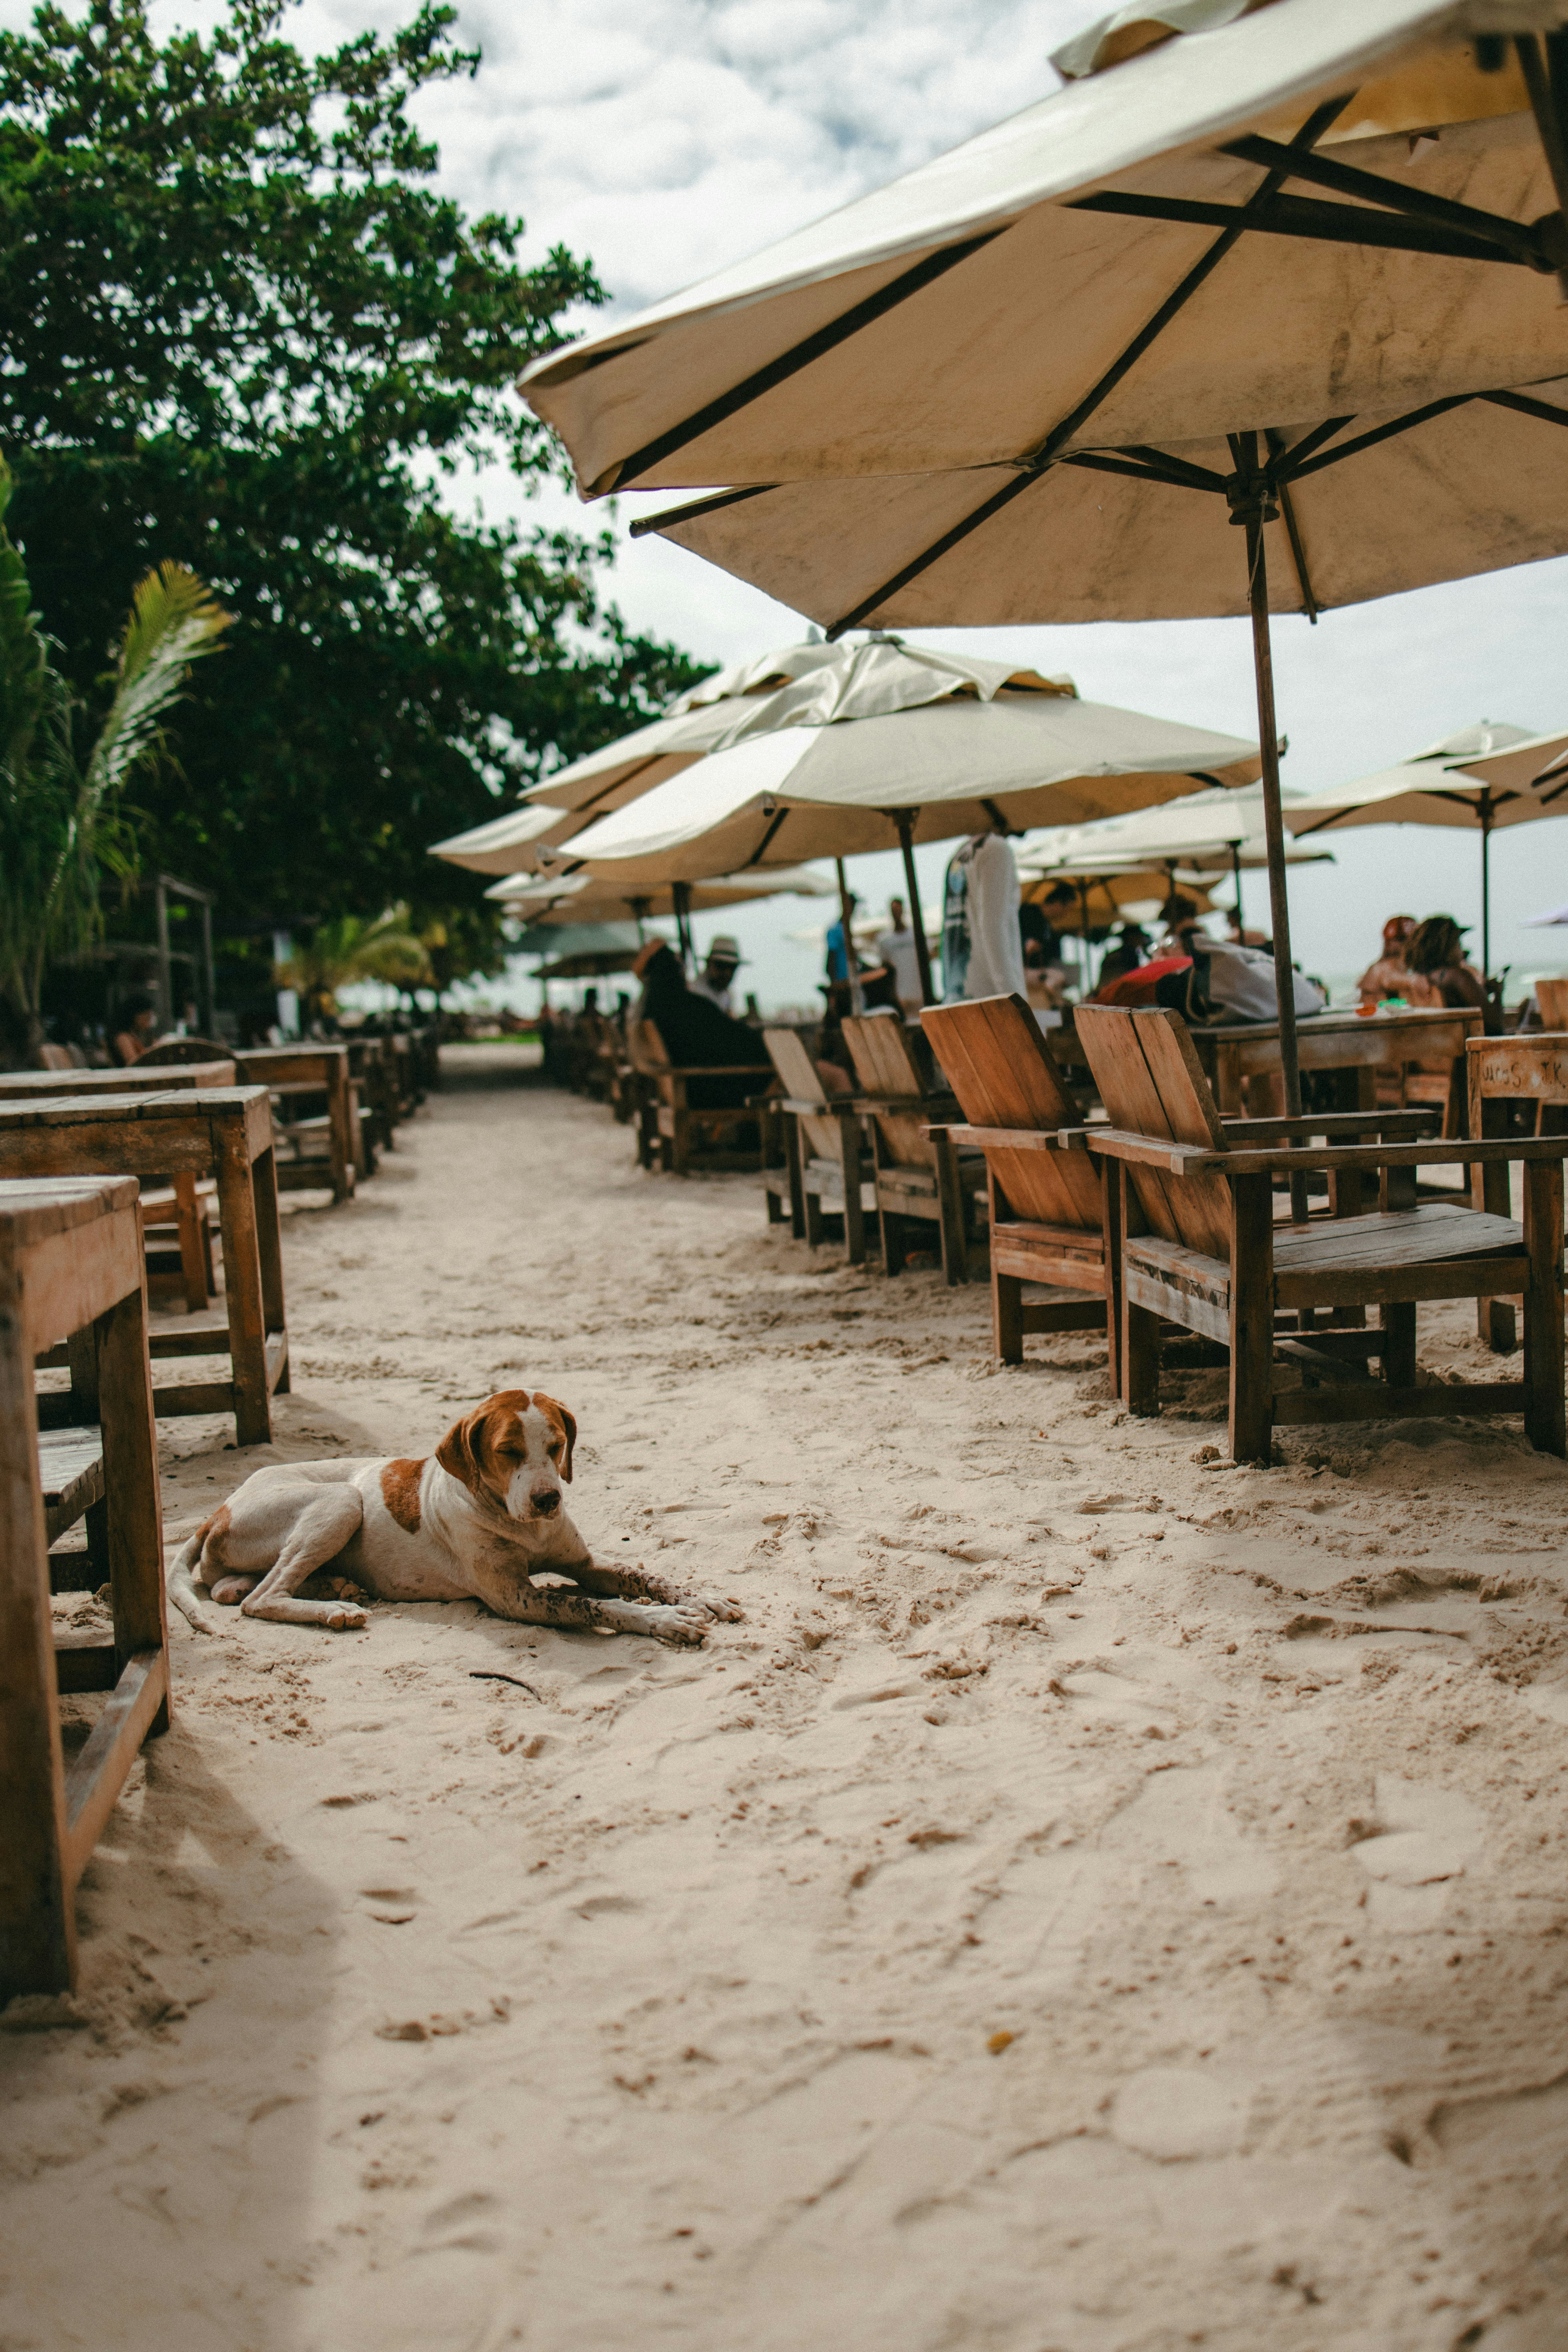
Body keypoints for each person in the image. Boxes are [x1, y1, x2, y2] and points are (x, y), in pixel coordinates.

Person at [633, 941, 765, 1106]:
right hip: (704, 1091)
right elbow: (726, 1036)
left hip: (694, 1086)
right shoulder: (687, 1006)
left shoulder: (658, 1010)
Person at [1404, 915, 1491, 1023]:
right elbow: (1493, 1025)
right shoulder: (1457, 976)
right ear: (1448, 947)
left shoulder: (1422, 977)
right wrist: (1498, 993)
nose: (1461, 950)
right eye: (1458, 943)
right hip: (1462, 1039)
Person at [1358, 914, 1437, 1006]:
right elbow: (1388, 978)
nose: (1412, 944)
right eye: (1402, 940)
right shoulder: (1381, 967)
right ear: (1390, 942)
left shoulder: (1407, 966)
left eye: (1415, 939)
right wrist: (1412, 980)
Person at [874, 898, 923, 1012]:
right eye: (893, 910)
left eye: (898, 909)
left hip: (919, 991)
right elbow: (884, 968)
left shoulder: (915, 934)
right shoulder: (885, 940)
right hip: (899, 994)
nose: (896, 913)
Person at [692, 934, 744, 1013]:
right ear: (709, 964)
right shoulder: (695, 993)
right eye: (721, 966)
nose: (727, 973)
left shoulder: (726, 996)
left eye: (732, 968)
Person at [110, 993, 158, 1066]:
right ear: (135, 1016)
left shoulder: (141, 1036)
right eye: (147, 1017)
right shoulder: (123, 1038)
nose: (148, 1022)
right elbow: (133, 1064)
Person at [824, 894, 860, 985]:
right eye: (852, 906)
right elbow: (831, 959)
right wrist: (835, 986)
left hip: (852, 980)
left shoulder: (847, 929)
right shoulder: (835, 930)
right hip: (842, 982)